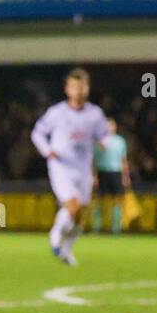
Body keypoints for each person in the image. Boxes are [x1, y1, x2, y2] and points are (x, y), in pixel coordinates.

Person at [31, 68, 111, 264]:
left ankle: (66, 249)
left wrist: (103, 143)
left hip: (83, 168)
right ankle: (55, 236)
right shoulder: (57, 113)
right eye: (75, 87)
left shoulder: (95, 114)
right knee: (72, 204)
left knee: (80, 215)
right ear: (67, 89)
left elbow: (104, 136)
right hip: (61, 166)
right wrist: (47, 150)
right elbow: (37, 133)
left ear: (88, 89)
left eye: (82, 87)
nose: (79, 91)